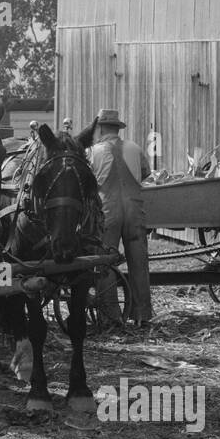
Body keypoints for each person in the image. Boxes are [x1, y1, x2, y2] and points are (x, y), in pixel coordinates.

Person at [84, 108, 154, 326]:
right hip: (135, 212)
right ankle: (142, 315)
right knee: (139, 263)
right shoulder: (135, 148)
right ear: (118, 128)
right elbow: (145, 173)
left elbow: (87, 184)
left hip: (108, 213)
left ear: (101, 128)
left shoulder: (92, 152)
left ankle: (111, 316)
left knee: (106, 263)